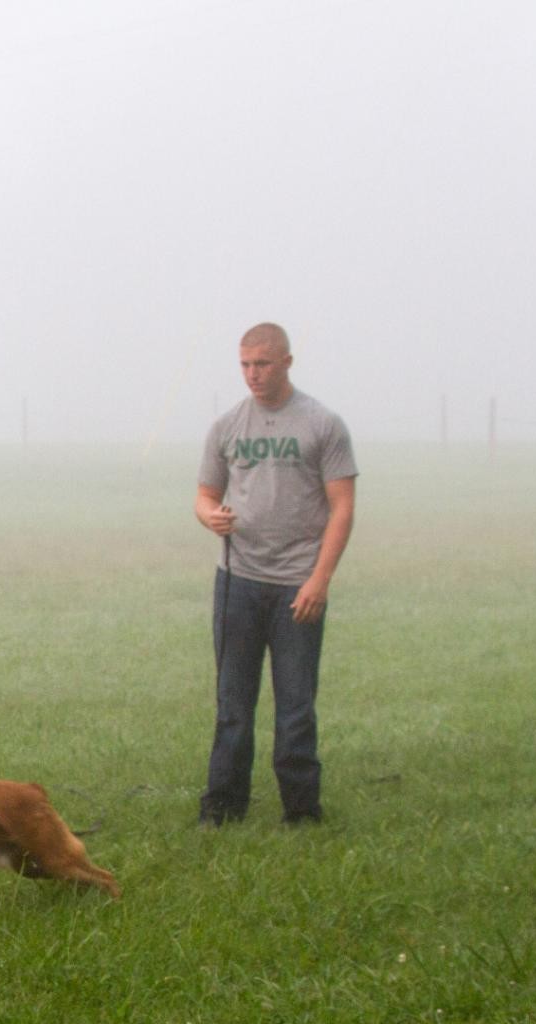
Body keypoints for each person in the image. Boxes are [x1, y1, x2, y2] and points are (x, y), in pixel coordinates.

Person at [194, 324, 356, 826]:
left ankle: (302, 812)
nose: (252, 375)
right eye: (244, 364)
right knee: (233, 705)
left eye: (261, 364)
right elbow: (204, 494)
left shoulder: (322, 424)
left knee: (295, 707)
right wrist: (209, 516)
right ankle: (222, 808)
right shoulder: (226, 426)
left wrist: (319, 580)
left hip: (296, 585)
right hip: (237, 582)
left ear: (286, 362)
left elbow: (343, 508)